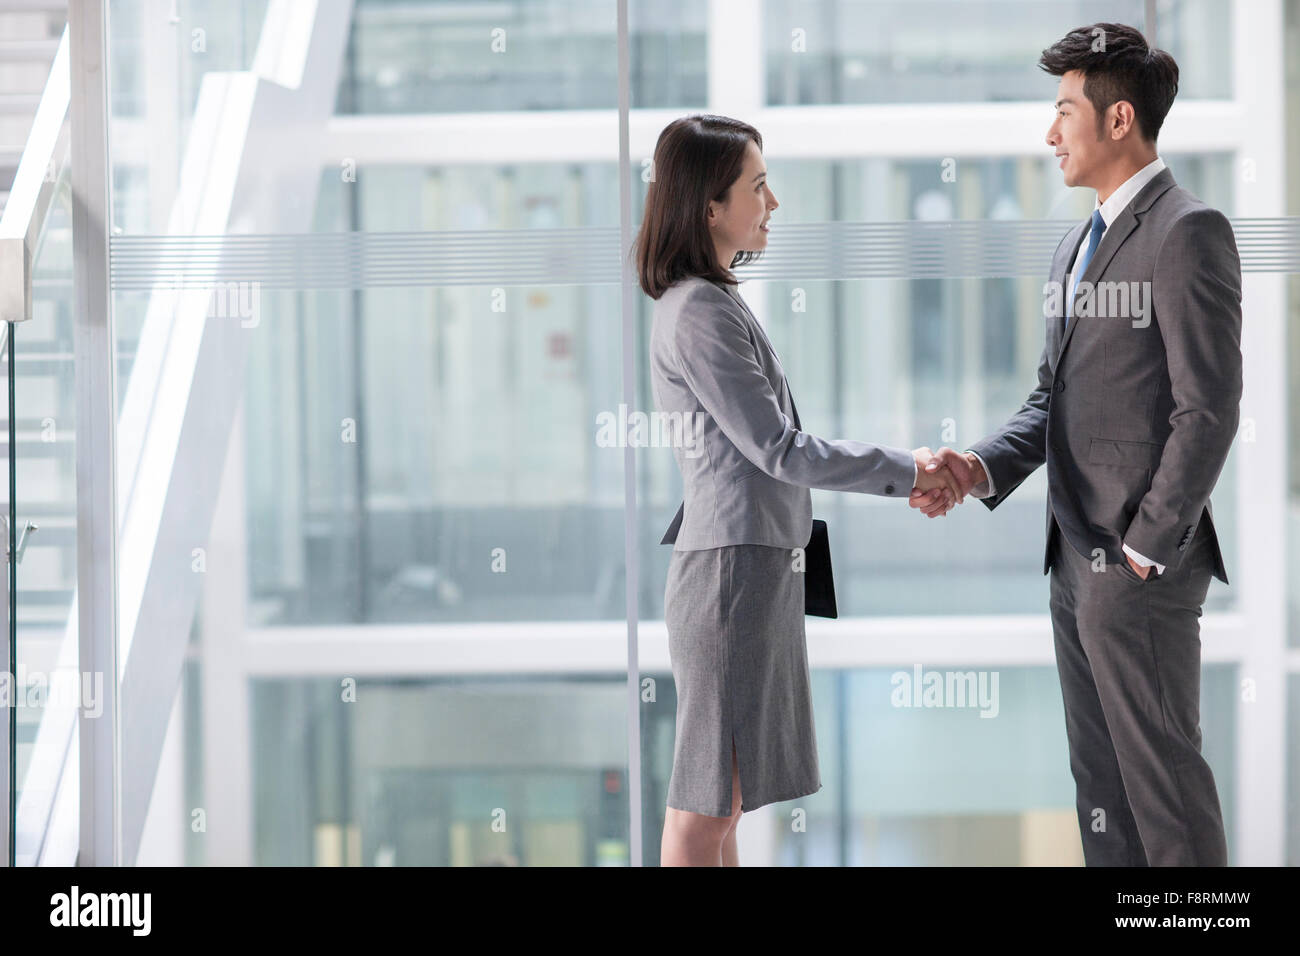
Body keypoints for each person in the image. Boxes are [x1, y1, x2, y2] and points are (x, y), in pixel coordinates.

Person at [915, 23, 1241, 866]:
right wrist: (980, 464)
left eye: (1065, 111)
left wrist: (1142, 549)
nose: (1050, 132)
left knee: (1165, 791)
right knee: (1101, 792)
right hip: (1071, 563)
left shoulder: (1187, 231)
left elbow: (1208, 410)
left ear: (1120, 119)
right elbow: (1048, 399)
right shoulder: (1072, 247)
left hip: (1138, 570)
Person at [636, 113, 961, 867]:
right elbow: (779, 449)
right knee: (704, 807)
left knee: (728, 799)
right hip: (730, 576)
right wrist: (910, 469)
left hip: (749, 568)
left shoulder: (711, 302)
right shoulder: (700, 311)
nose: (772, 201)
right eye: (757, 186)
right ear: (709, 208)